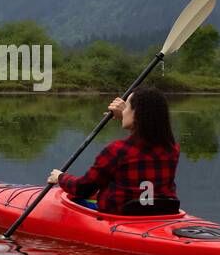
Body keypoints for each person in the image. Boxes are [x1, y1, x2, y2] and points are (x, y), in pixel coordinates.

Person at [48, 87, 180, 215]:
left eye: (126, 107)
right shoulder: (172, 149)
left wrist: (61, 177)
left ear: (136, 115)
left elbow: (84, 189)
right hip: (161, 212)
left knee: (75, 200)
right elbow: (146, 143)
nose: (123, 111)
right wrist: (127, 117)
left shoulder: (117, 151)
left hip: (121, 214)